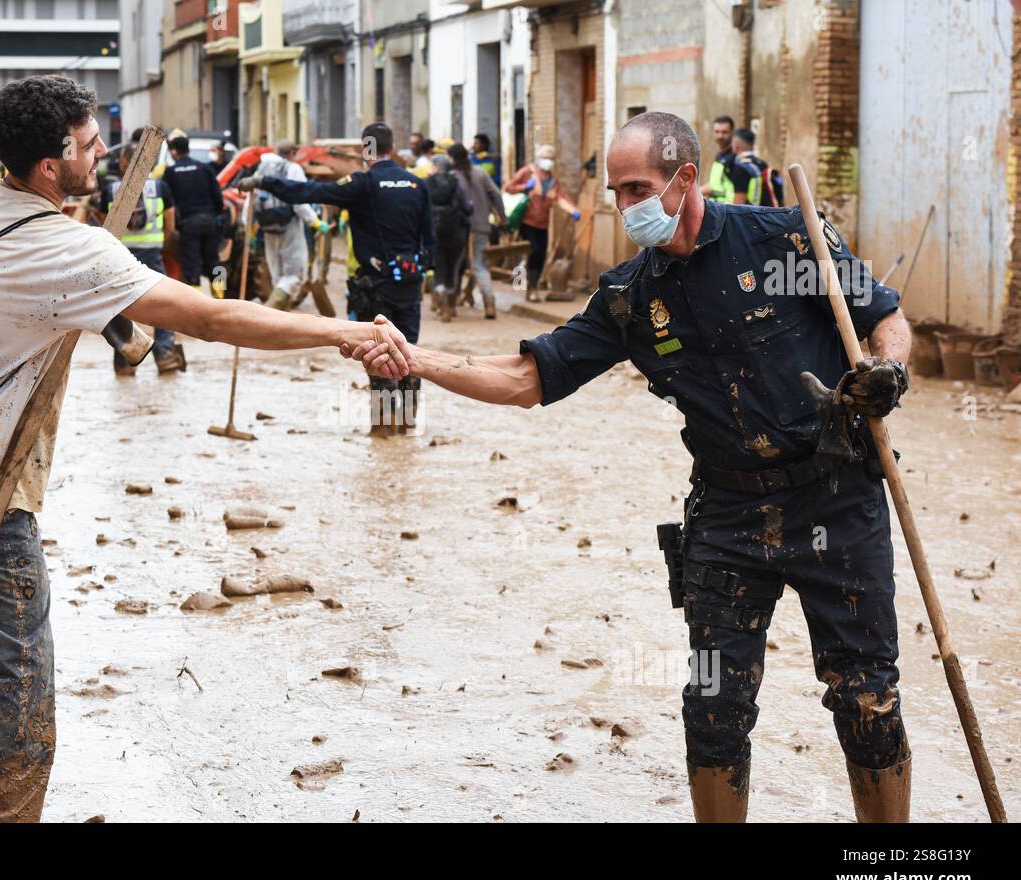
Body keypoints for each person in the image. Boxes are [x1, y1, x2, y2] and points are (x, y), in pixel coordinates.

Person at [0, 75, 408, 823]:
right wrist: (344, 332)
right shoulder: (70, 252)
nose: (104, 153)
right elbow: (213, 319)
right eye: (89, 144)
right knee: (18, 682)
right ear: (51, 165)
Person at [349, 111, 915, 824]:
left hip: (836, 496)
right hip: (729, 517)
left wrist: (885, 371)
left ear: (686, 178)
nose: (625, 205)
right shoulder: (629, 297)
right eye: (616, 190)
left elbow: (884, 316)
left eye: (637, 186)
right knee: (713, 706)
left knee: (866, 697)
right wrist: (416, 359)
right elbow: (526, 377)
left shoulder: (786, 238)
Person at [239, 121, 435, 435]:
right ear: (393, 149)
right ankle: (408, 423)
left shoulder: (362, 184)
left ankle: (384, 429)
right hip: (410, 283)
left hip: (375, 286)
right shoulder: (416, 185)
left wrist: (264, 182)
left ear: (365, 150)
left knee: (381, 351)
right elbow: (430, 238)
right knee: (409, 348)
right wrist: (425, 274)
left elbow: (308, 191)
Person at [108, 128, 183, 374]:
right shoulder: (161, 188)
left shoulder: (110, 190)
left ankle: (126, 361)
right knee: (163, 306)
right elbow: (170, 225)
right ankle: (165, 355)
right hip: (152, 254)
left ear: (125, 164)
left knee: (120, 308)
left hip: (120, 257)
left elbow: (104, 225)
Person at [253, 139, 330, 311]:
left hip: (267, 226)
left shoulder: (262, 167)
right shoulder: (292, 169)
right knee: (294, 274)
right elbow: (299, 200)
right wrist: (315, 222)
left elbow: (253, 197)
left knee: (277, 274)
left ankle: (281, 314)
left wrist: (249, 224)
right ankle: (271, 310)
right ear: (292, 154)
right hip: (290, 226)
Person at [503, 144, 581, 302]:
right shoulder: (527, 172)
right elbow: (508, 187)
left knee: (541, 256)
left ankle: (533, 286)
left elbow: (561, 198)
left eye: (551, 158)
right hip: (527, 222)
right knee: (534, 251)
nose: (548, 161)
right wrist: (524, 186)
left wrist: (573, 210)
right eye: (545, 158)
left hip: (543, 224)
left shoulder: (553, 181)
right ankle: (531, 288)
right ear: (538, 158)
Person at [163, 133, 225, 295]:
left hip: (188, 225)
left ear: (174, 151)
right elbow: (218, 197)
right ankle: (222, 297)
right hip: (210, 222)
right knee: (215, 261)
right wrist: (216, 216)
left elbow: (168, 202)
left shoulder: (170, 172)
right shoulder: (205, 168)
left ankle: (196, 302)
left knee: (192, 264)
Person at [452, 142, 506, 319]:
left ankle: (449, 303)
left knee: (454, 265)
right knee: (480, 266)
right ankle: (489, 302)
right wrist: (503, 217)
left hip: (459, 230)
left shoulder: (452, 177)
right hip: (482, 227)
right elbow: (496, 195)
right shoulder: (481, 173)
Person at [425, 151, 473, 322]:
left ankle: (439, 301)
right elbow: (467, 208)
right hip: (455, 233)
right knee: (453, 270)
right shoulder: (456, 183)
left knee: (439, 269)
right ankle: (449, 308)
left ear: (437, 167)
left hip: (434, 233)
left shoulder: (427, 183)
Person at [700, 115, 753, 205]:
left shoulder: (735, 158)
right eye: (717, 132)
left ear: (732, 133)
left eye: (724, 132)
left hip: (729, 210)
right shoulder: (720, 156)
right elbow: (714, 184)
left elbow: (740, 192)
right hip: (718, 209)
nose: (720, 136)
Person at [732, 128, 781, 207]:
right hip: (771, 211)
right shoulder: (762, 163)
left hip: (755, 216)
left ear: (735, 146)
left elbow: (738, 205)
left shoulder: (741, 168)